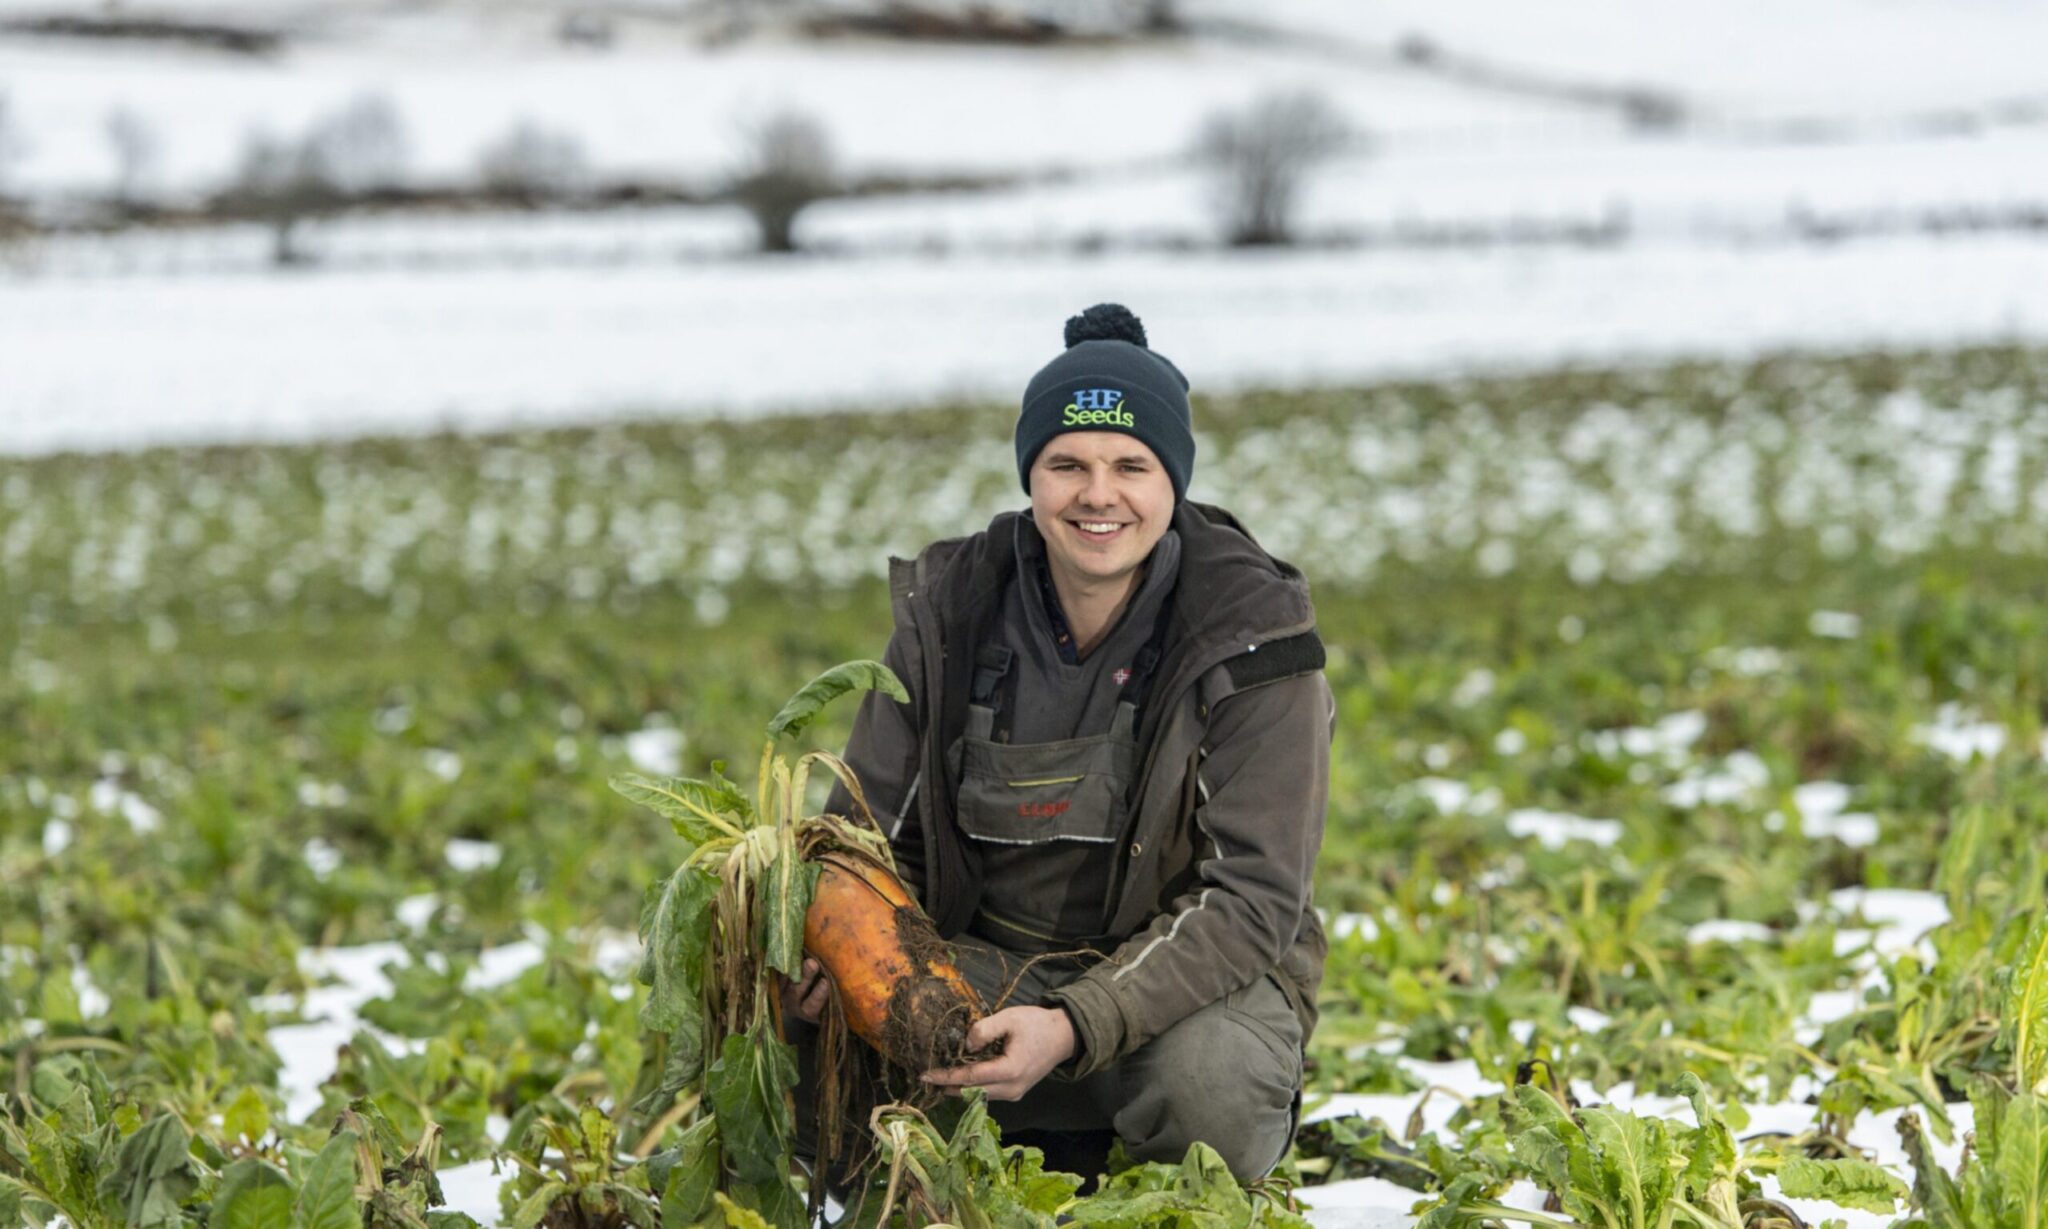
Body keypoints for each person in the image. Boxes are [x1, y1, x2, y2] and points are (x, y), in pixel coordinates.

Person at [789, 302, 1333, 1182]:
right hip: (990, 971)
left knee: (1209, 1092)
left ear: (1173, 482)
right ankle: (1019, 1144)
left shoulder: (1256, 635)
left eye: (1132, 465)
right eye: (1066, 463)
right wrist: (829, 948)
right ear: (1031, 477)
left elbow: (1253, 902)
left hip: (1193, 990)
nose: (1097, 494)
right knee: (783, 1039)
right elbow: (863, 841)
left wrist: (1080, 1020)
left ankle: (1127, 1135)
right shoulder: (949, 611)